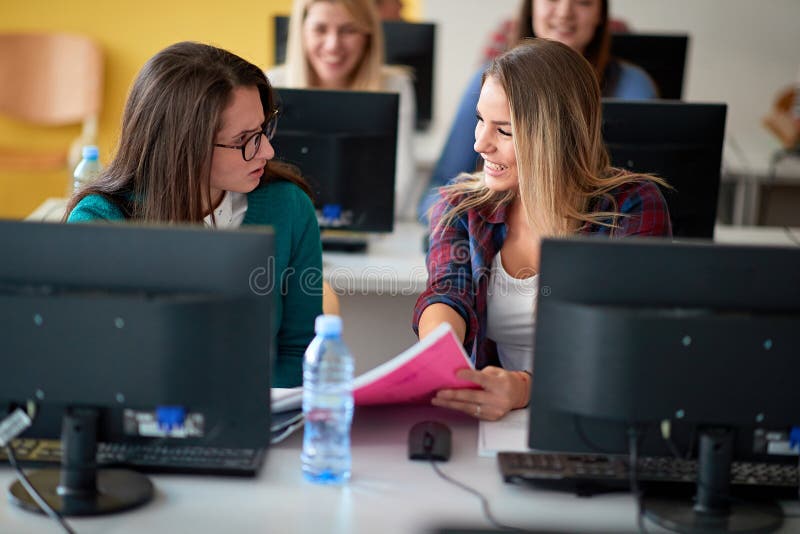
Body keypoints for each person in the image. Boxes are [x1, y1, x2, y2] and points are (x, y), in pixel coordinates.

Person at [412, 39, 672, 421]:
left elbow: (624, 345)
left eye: (504, 131)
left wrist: (524, 387)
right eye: (480, 120)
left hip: (599, 416)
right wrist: (440, 355)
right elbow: (448, 292)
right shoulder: (460, 205)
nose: (480, 144)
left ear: (556, 136)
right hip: (496, 418)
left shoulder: (632, 206)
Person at [65, 41, 322, 388]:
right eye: (245, 139)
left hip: (259, 422)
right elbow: (88, 363)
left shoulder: (289, 206)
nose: (268, 150)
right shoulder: (99, 224)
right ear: (183, 146)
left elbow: (298, 354)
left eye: (263, 130)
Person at [419, 0, 657, 219]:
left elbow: (643, 197)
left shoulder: (632, 86)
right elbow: (441, 188)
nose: (565, 12)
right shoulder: (490, 83)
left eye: (583, 1)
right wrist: (457, 229)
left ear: (600, 15)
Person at [269, 0, 418, 219]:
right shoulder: (269, 84)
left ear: (368, 35)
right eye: (320, 29)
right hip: (288, 224)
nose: (332, 45)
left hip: (367, 233)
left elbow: (401, 185)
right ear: (301, 32)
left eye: (348, 30)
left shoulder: (396, 86)